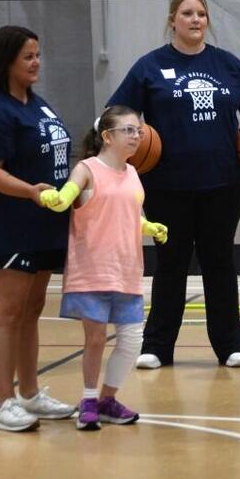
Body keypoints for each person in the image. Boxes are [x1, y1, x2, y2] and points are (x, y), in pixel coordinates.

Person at [107, 0, 240, 368]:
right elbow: (115, 112)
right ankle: (156, 346)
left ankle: (230, 346)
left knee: (219, 261)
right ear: (172, 20)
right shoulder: (150, 66)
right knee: (171, 264)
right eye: (187, 13)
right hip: (165, 185)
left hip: (223, 183)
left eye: (201, 14)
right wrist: (128, 139)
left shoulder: (227, 64)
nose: (195, 20)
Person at [0, 25, 77, 431]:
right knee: (10, 312)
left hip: (47, 223)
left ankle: (30, 394)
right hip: (13, 223)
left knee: (33, 310)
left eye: (38, 55)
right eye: (28, 56)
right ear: (7, 62)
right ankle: (3, 403)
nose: (36, 62)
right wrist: (30, 192)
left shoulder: (38, 105)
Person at [41, 105, 168, 430]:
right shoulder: (87, 168)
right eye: (129, 130)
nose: (137, 136)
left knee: (131, 340)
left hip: (127, 271)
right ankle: (87, 400)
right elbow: (70, 194)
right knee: (95, 338)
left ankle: (108, 398)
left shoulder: (133, 174)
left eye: (138, 130)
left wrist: (148, 226)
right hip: (91, 271)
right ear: (108, 136)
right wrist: (61, 197)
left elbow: (130, 214)